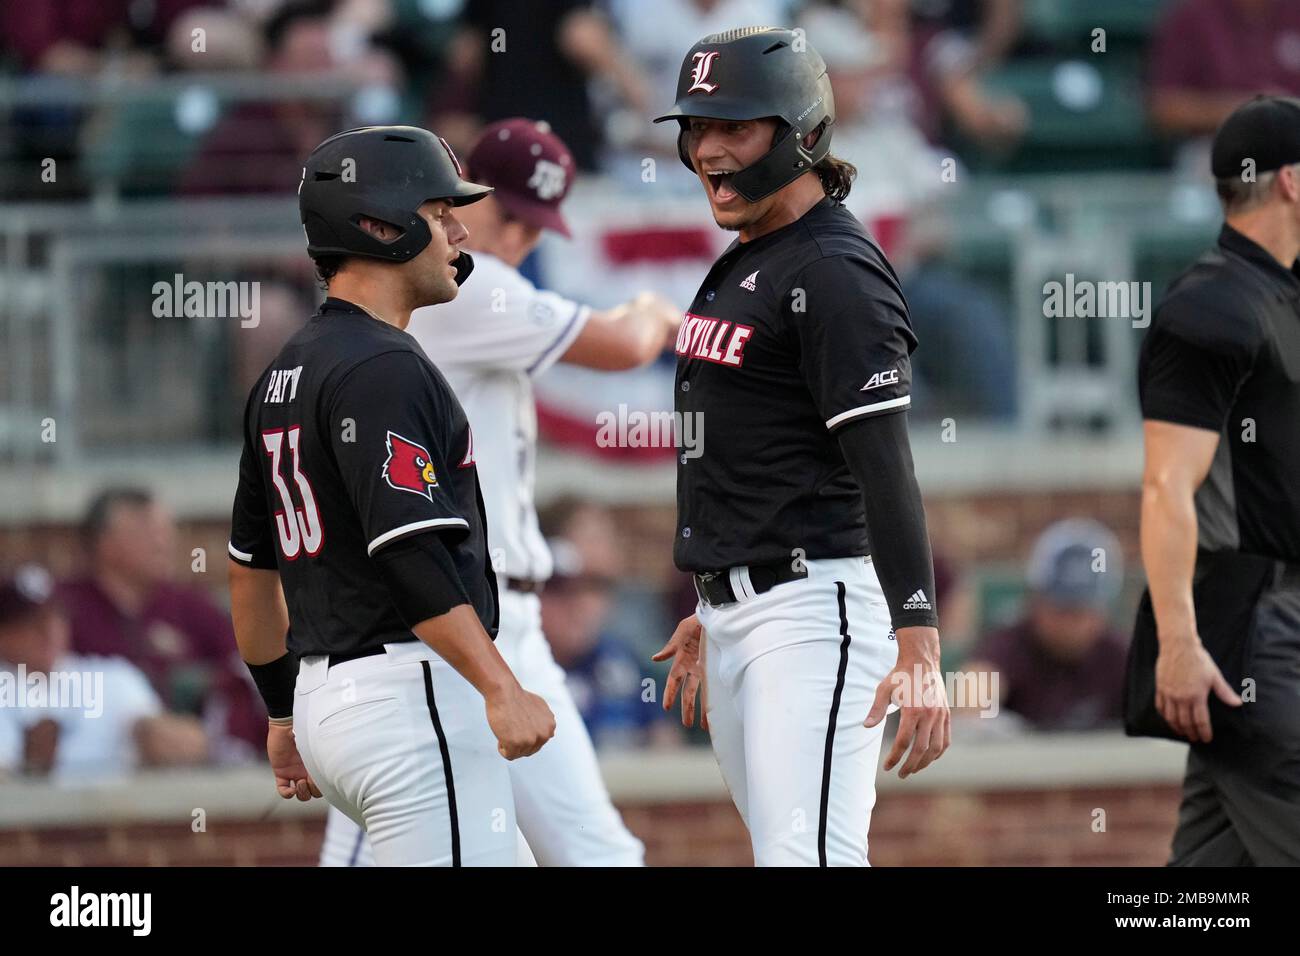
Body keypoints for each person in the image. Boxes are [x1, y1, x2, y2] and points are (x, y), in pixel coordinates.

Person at [320, 117, 677, 867]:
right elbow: (622, 347)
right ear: (462, 198)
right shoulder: (462, 288)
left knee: (598, 855)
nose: (514, 238)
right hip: (439, 621)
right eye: (506, 214)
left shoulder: (476, 285)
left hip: (507, 619)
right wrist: (656, 308)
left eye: (532, 225)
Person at [651, 28, 950, 867]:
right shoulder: (758, 253)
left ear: (803, 134)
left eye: (734, 127)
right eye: (695, 127)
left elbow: (886, 467)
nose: (707, 148)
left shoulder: (832, 270)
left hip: (815, 610)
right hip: (747, 610)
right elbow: (755, 441)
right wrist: (720, 587)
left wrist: (919, 644)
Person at [227, 125, 555, 867]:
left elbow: (249, 572)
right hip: (408, 696)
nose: (461, 231)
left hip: (331, 702)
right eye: (441, 212)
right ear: (380, 225)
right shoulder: (384, 368)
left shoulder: (284, 372)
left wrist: (282, 711)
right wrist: (499, 685)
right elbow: (411, 555)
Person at [1136, 95, 1300, 865]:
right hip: (1255, 632)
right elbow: (1167, 486)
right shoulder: (1210, 304)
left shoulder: (1279, 295)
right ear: (1293, 183)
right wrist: (1178, 642)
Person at [57, 487, 264, 756]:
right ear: (105, 543)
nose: (162, 543)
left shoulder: (191, 605)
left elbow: (245, 672)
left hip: (195, 761)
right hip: (96, 763)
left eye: (166, 531)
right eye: (146, 531)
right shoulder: (65, 607)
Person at [0, 565, 207, 781]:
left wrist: (156, 735)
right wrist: (29, 767)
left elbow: (189, 743)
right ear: (3, 633)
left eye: (56, 617)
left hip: (118, 811)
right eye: (31, 622)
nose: (48, 631)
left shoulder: (113, 677)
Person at [967, 519, 1129, 732]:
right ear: (1037, 601)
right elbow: (969, 697)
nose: (1072, 625)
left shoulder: (1118, 655)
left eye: (1082, 611)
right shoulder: (1007, 647)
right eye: (1061, 609)